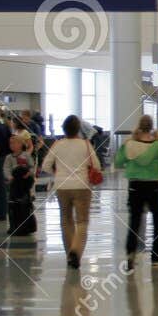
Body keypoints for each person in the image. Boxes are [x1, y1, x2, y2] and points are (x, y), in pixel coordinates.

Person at [117, 115, 158, 271]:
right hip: (153, 186)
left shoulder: (129, 144)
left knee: (134, 221)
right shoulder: (157, 146)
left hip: (135, 186)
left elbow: (118, 162)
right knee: (157, 221)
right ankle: (156, 257)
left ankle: (131, 252)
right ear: (151, 128)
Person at [44, 115, 102, 268]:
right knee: (82, 221)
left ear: (63, 129)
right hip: (82, 186)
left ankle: (69, 254)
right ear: (78, 129)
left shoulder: (58, 144)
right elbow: (96, 165)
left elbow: (45, 166)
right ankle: (76, 251)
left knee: (66, 221)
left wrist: (57, 172)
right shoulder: (86, 145)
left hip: (62, 186)